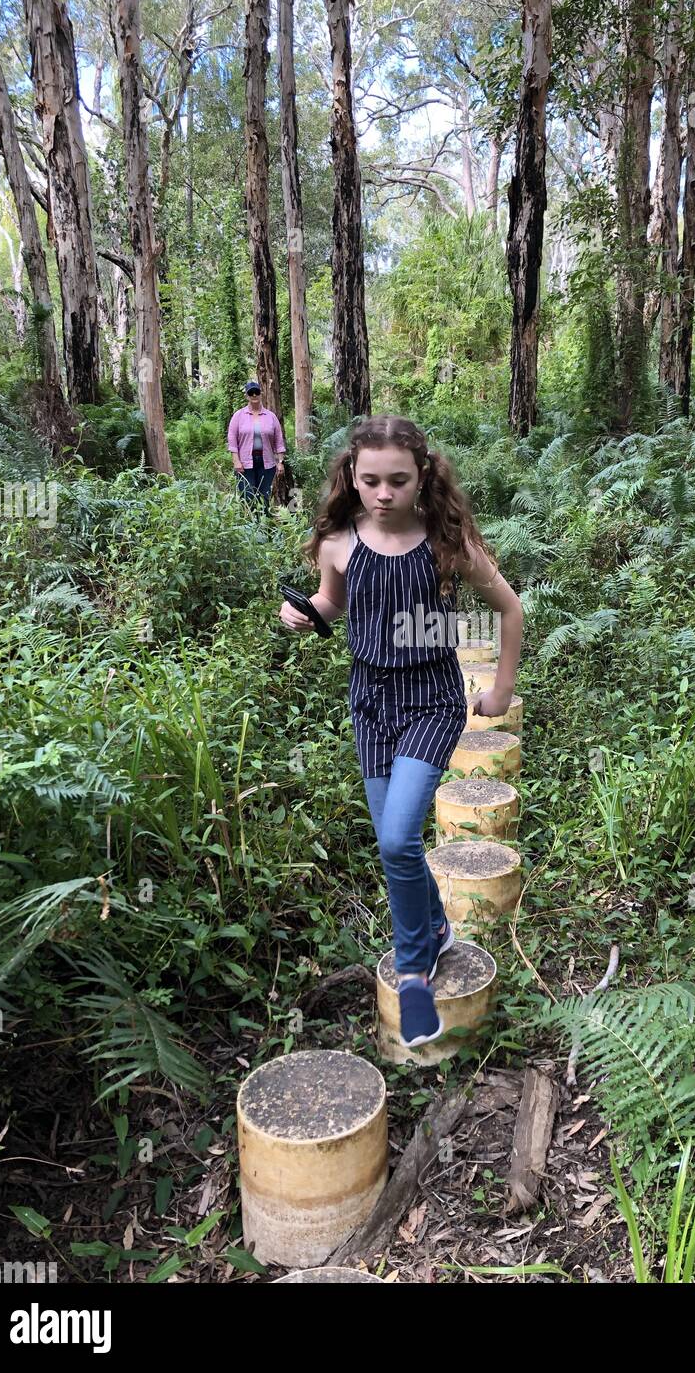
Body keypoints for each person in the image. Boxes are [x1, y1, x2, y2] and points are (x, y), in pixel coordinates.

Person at [279, 414, 523, 1048]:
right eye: (370, 481)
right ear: (351, 480)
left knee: (394, 840)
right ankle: (437, 928)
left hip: (432, 701)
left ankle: (414, 967)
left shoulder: (445, 544)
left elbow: (509, 607)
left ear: (423, 479)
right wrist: (306, 613)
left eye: (398, 481)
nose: (384, 494)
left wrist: (497, 689)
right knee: (399, 847)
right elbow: (333, 602)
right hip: (372, 705)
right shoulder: (338, 542)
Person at [228, 381, 286, 516]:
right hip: (245, 463)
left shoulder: (271, 416)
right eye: (250, 393)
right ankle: (250, 527)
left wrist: (280, 462)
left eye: (257, 392)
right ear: (246, 396)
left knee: (263, 496)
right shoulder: (239, 416)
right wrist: (236, 461)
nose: (254, 395)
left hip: (266, 463)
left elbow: (279, 441)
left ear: (261, 394)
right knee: (247, 496)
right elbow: (232, 440)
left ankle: (264, 528)